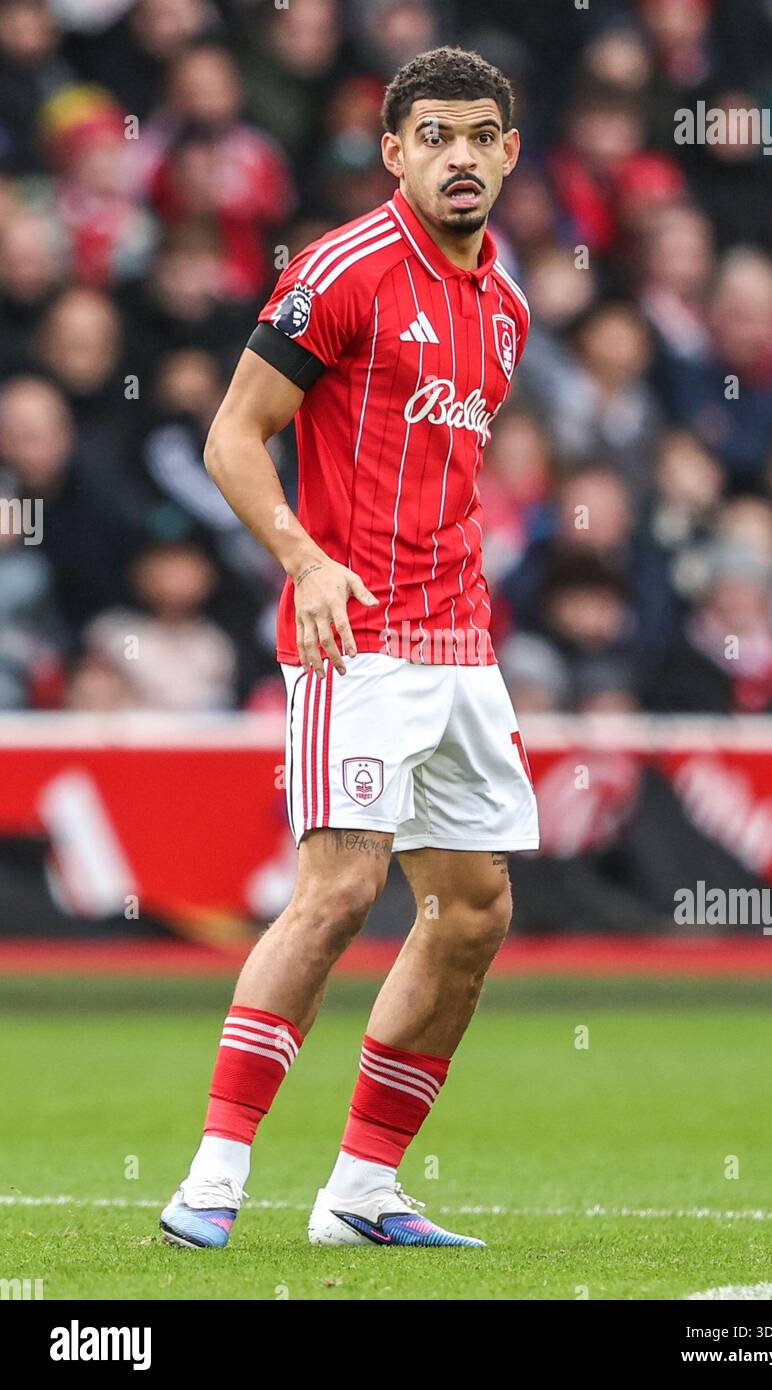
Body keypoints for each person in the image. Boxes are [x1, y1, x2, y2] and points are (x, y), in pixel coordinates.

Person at [160, 46, 539, 1252]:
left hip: (460, 644)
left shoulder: (509, 309)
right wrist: (305, 557)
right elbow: (233, 436)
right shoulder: (342, 270)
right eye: (433, 135)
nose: (460, 156)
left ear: (511, 151)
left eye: (481, 134)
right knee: (337, 886)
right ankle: (213, 1176)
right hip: (355, 638)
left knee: (472, 911)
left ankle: (361, 1193)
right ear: (392, 151)